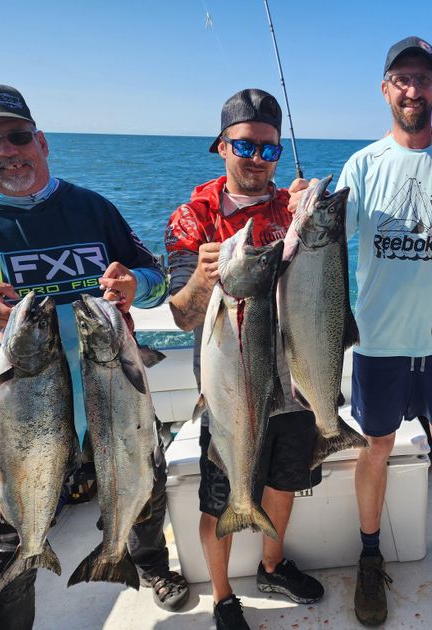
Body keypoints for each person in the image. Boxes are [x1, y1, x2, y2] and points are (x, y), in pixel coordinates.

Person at [0, 83, 189, 629]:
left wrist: (134, 286)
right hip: (22, 422)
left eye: (19, 136)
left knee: (143, 491)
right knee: (11, 541)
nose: (8, 150)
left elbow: (157, 277)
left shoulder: (92, 208)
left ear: (42, 141)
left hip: (113, 398)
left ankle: (147, 564)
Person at [290, 36, 432, 627]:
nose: (413, 89)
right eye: (402, 79)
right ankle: (370, 556)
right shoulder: (362, 165)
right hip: (379, 342)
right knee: (377, 449)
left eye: (423, 78)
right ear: (386, 89)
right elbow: (328, 242)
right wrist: (300, 211)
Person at [164, 88, 324, 630]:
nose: (257, 159)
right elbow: (183, 317)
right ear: (221, 146)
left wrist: (313, 207)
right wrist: (204, 280)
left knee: (285, 480)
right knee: (221, 493)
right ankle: (223, 595)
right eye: (245, 146)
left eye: (269, 150)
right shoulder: (193, 217)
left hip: (292, 376)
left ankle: (273, 565)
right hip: (228, 382)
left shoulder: (291, 210)